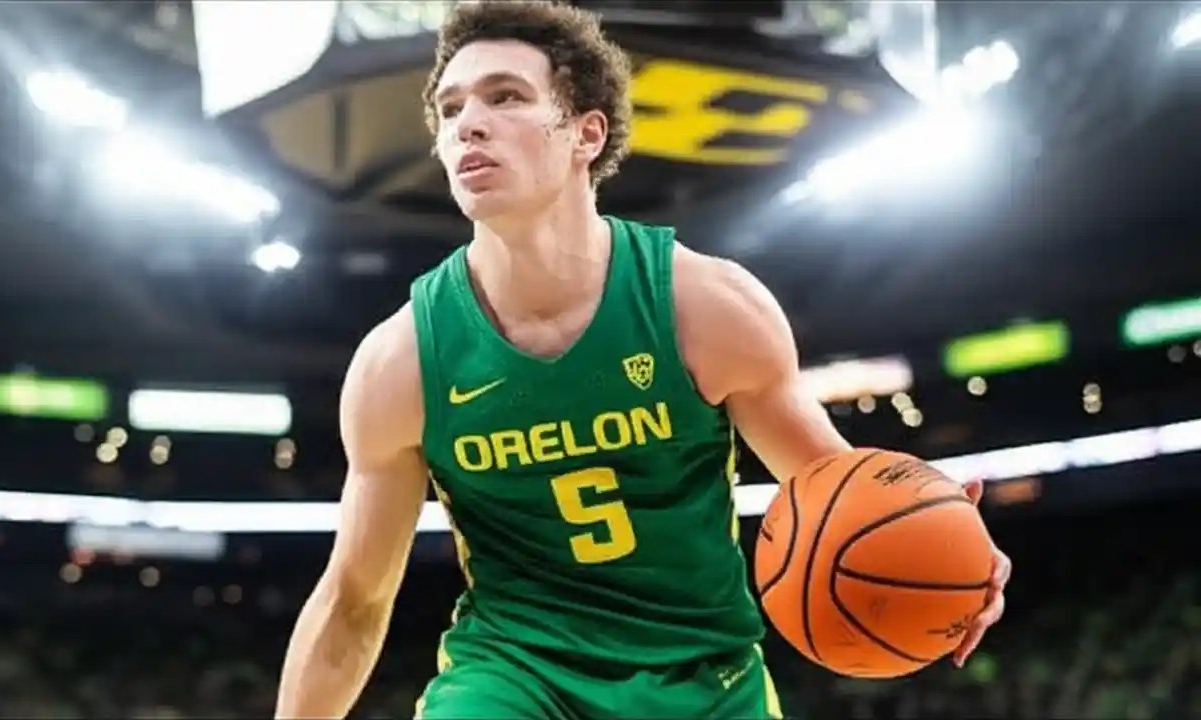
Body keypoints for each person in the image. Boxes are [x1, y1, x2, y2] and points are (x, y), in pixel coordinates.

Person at [274, 2, 1011, 718]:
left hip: (707, 677)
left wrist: (943, 546)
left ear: (586, 133)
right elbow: (354, 600)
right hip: (513, 678)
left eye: (506, 96)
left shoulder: (709, 308)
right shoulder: (400, 361)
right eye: (451, 108)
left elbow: (838, 494)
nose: (468, 122)